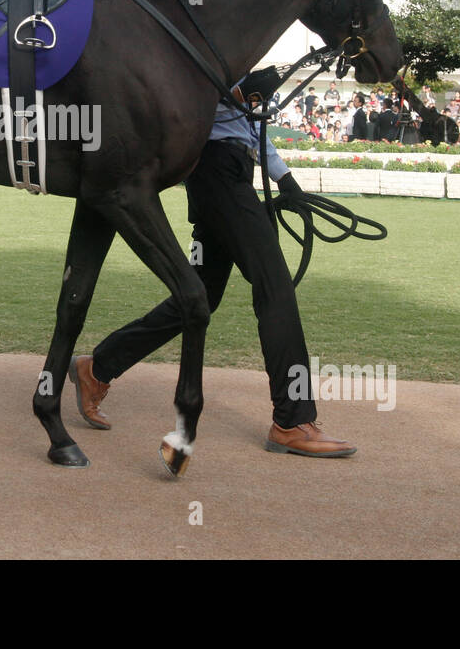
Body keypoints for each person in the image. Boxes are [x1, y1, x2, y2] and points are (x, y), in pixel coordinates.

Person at [69, 84, 355, 458]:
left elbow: (252, 126)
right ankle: (293, 420)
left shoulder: (242, 51)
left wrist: (285, 179)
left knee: (199, 296)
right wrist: (237, 92)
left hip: (228, 173)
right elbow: (194, 96)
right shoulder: (212, 41)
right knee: (276, 287)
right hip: (216, 171)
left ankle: (98, 367)